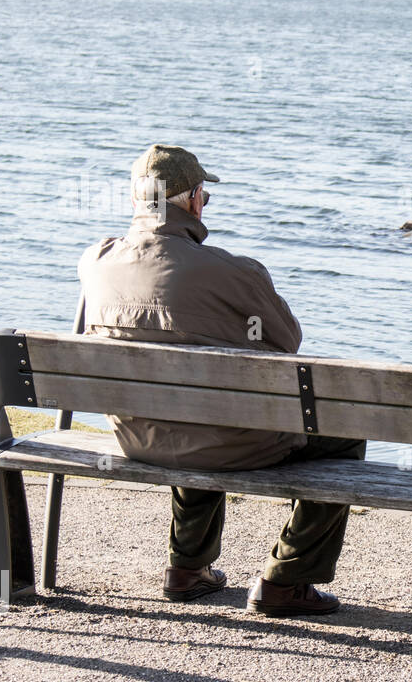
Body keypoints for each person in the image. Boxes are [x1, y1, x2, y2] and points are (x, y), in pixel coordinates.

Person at [77, 144, 366, 616]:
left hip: (135, 435)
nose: (204, 204)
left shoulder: (96, 261)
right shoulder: (236, 272)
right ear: (192, 200)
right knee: (343, 430)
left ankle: (187, 568)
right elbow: (288, 341)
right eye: (204, 196)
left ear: (137, 202)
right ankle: (286, 581)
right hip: (225, 441)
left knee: (185, 404)